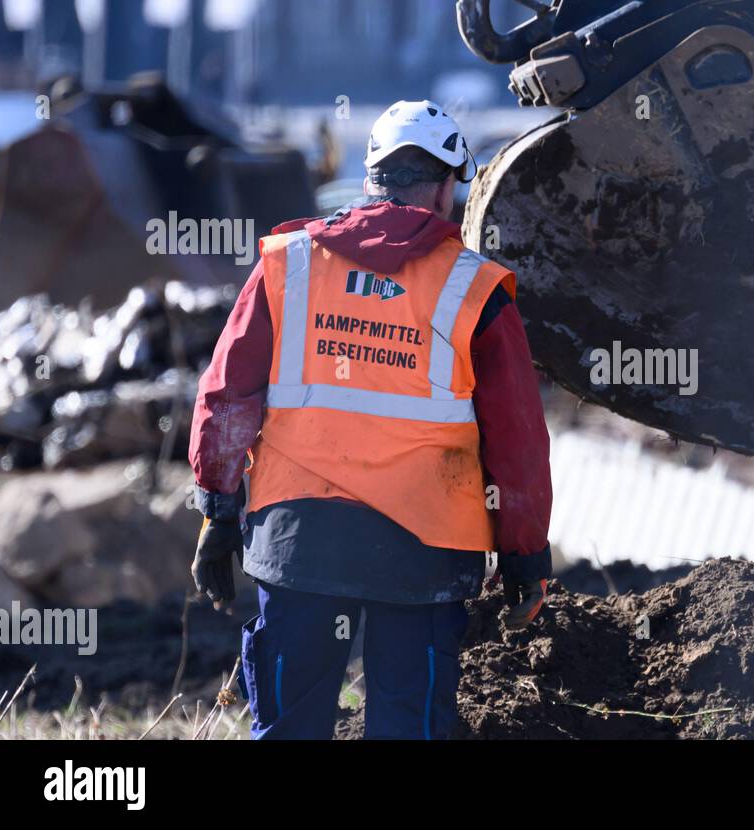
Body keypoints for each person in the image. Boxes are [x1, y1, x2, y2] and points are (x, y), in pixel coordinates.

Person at [186, 100, 552, 740]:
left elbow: (226, 394)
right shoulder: (477, 289)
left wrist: (217, 512)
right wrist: (525, 555)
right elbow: (517, 439)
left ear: (370, 179)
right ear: (445, 189)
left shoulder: (286, 263)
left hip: (299, 535)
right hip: (424, 547)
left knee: (290, 729)